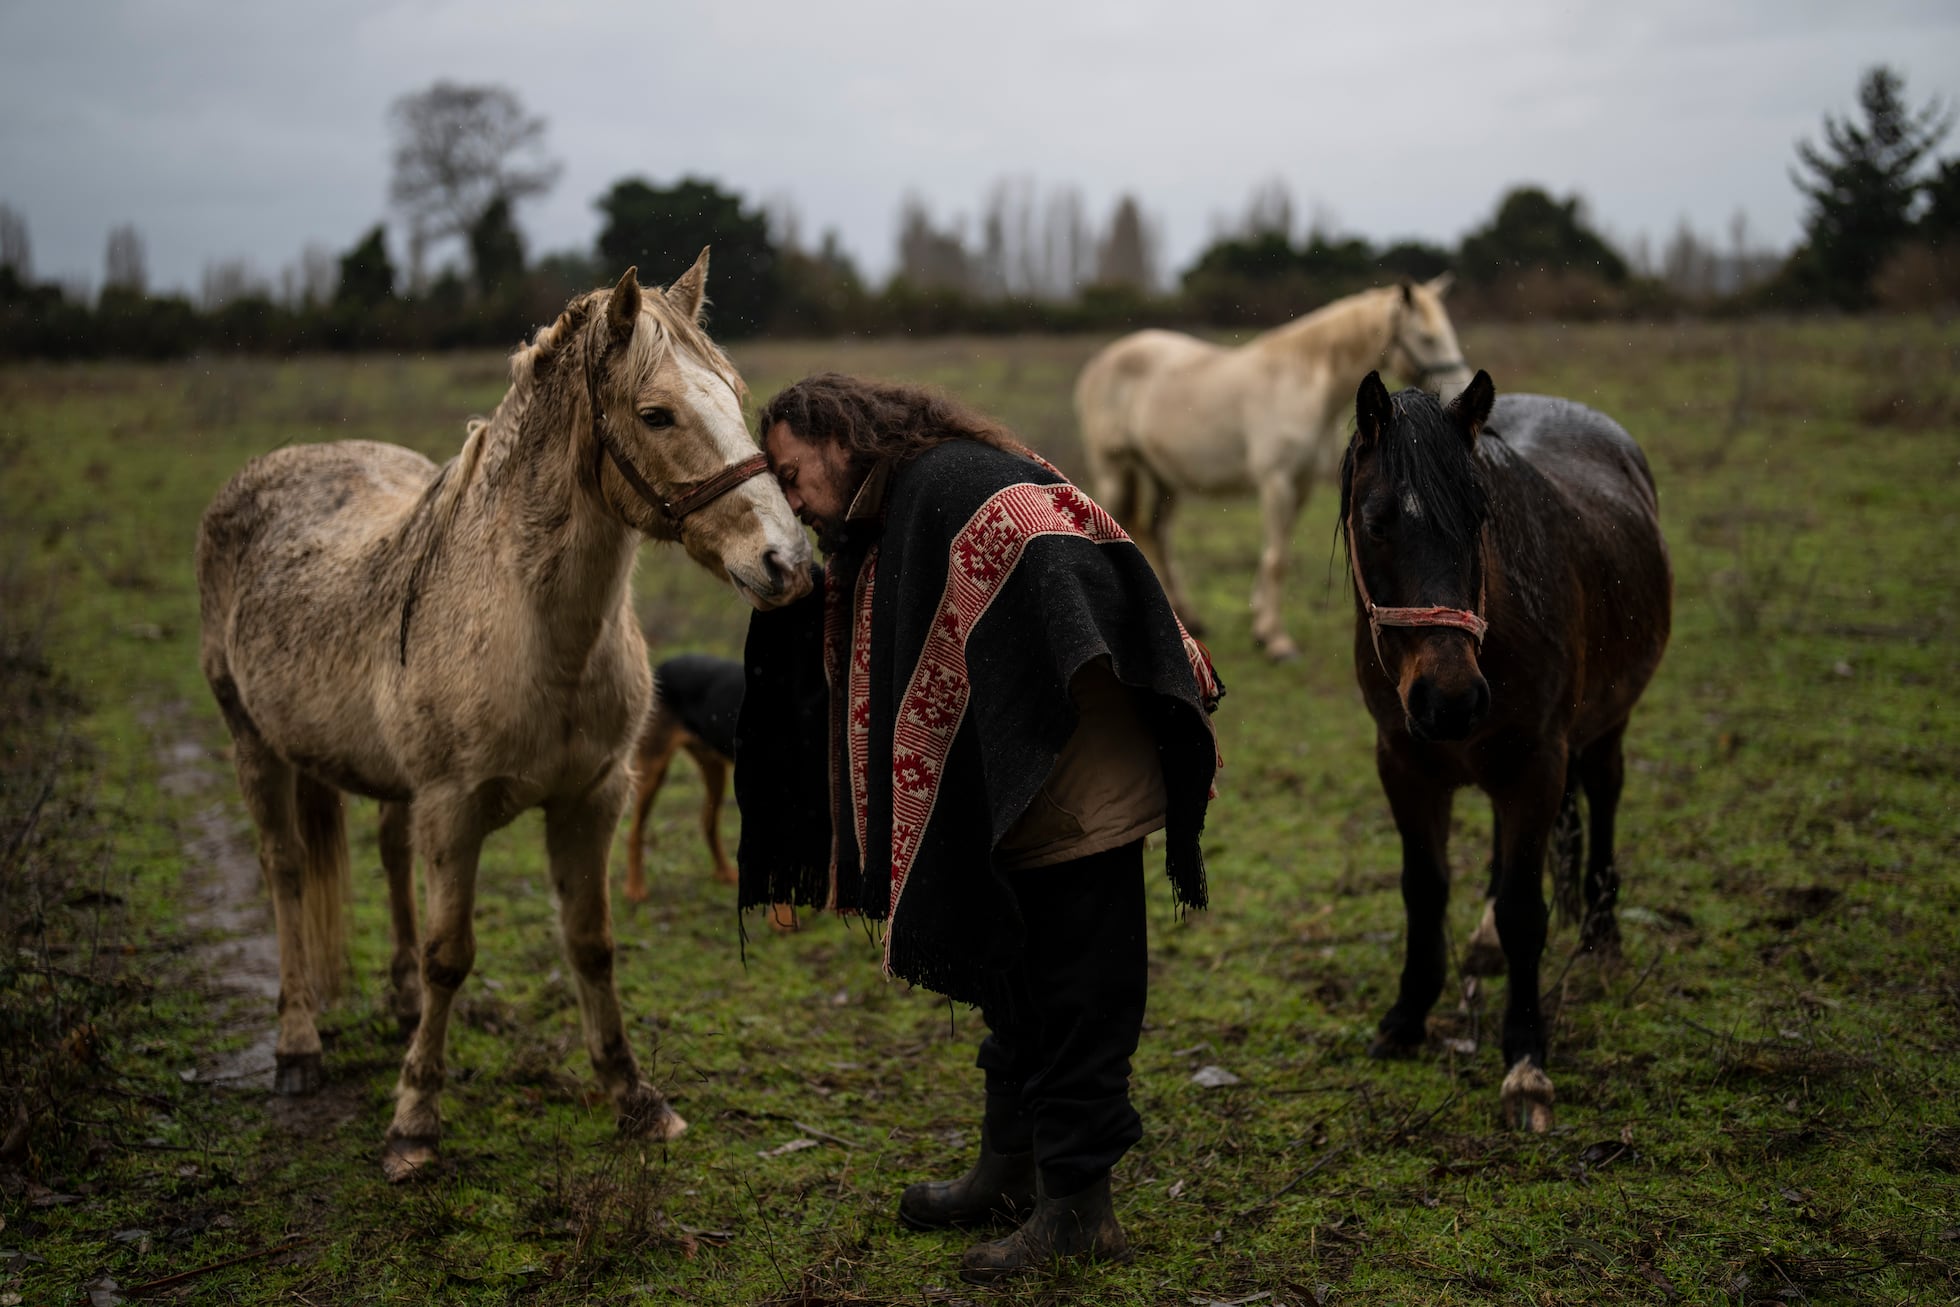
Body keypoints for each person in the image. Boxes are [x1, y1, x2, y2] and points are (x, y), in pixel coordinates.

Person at [734, 373, 1222, 1284]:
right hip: (1024, 776)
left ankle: (1080, 1208)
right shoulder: (903, 501)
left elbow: (1059, 542)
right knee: (1016, 977)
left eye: (795, 474)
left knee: (1080, 990)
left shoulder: (951, 481)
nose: (793, 500)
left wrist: (1034, 689)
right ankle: (1011, 1168)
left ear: (842, 435)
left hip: (1073, 775)